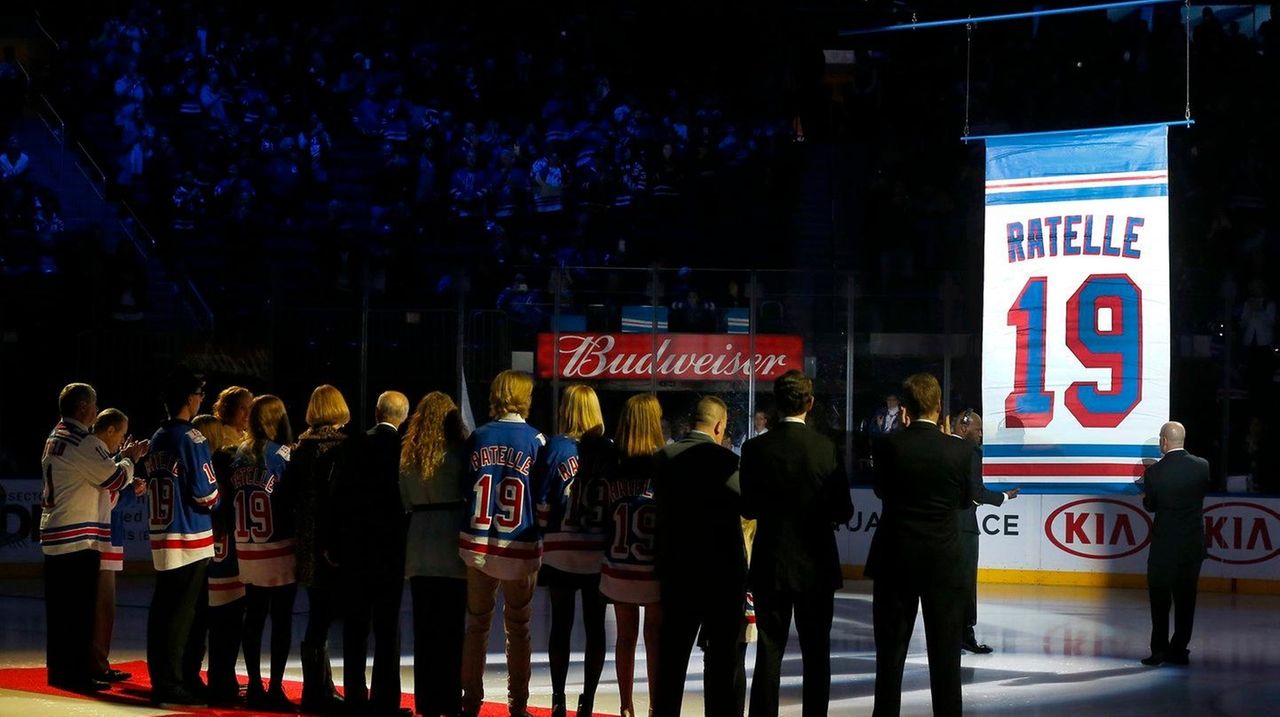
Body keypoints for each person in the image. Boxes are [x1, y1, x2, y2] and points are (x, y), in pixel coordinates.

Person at [741, 370, 853, 717]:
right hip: (816, 565)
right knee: (816, 653)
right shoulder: (825, 448)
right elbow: (844, 509)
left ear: (776, 404)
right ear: (810, 403)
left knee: (769, 652)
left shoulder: (755, 448)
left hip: (771, 563)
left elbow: (748, 507)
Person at [866, 373, 975, 717]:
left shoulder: (886, 446)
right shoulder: (961, 450)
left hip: (895, 559)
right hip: (943, 561)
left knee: (890, 658)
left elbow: (881, 491)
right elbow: (964, 501)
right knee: (945, 659)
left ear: (905, 410)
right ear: (939, 406)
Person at [41, 385, 147, 693]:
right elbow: (112, 478)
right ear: (85, 408)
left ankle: (60, 670)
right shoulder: (82, 441)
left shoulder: (54, 436)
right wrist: (127, 459)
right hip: (77, 537)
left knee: (60, 612)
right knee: (79, 612)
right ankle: (75, 672)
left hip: (56, 532)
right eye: (95, 403)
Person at [459, 371, 546, 717]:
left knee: (476, 624)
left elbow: (466, 487)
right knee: (519, 628)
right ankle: (518, 705)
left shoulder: (478, 437)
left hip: (479, 543)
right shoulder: (536, 440)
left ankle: (470, 702)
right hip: (519, 546)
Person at [652, 396, 744, 717]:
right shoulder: (728, 462)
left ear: (693, 422)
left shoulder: (664, 457)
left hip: (677, 572)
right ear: (720, 426)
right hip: (722, 576)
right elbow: (746, 507)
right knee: (720, 662)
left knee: (672, 661)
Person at [142, 368, 221, 707]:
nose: (202, 399)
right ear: (190, 399)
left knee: (165, 611)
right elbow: (207, 494)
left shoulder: (159, 436)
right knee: (183, 616)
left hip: (163, 535)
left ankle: (171, 678)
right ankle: (173, 683)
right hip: (189, 536)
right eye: (200, 395)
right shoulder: (192, 438)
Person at [536, 385, 613, 717]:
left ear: (566, 409)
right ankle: (589, 700)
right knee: (596, 628)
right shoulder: (610, 451)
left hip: (560, 549)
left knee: (561, 625)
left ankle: (557, 698)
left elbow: (541, 502)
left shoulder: (555, 447)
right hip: (597, 550)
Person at [334, 390, 412, 716]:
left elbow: (336, 497)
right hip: (390, 551)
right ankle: (384, 700)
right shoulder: (403, 451)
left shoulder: (351, 445)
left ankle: (354, 696)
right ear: (402, 417)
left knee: (355, 627)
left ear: (377, 412)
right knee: (386, 629)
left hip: (354, 548)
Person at [400, 392, 470, 717]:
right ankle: (449, 700)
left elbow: (404, 501)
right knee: (452, 631)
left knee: (424, 632)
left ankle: (426, 702)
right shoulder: (458, 452)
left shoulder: (409, 456)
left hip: (418, 543)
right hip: (451, 544)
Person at [228, 395, 297, 711]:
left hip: (247, 548)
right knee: (281, 619)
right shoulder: (282, 454)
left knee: (253, 616)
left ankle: (254, 683)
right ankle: (274, 687)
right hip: (278, 546)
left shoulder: (239, 454)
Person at [601, 394, 665, 717]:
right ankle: (656, 705)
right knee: (654, 639)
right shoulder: (663, 466)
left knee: (625, 637)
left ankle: (625, 706)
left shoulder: (613, 467)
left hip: (618, 565)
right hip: (653, 568)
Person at [292, 384, 350, 713]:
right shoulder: (339, 448)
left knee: (317, 613)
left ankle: (318, 686)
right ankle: (319, 691)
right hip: (329, 541)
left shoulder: (301, 446)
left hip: (306, 538)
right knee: (323, 616)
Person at [1141, 421, 1210, 667]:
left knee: (1160, 601)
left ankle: (1159, 650)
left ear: (1164, 441)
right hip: (1191, 546)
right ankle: (1179, 649)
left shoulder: (1154, 473)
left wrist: (1145, 499)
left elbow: (1152, 506)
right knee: (1186, 600)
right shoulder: (1202, 467)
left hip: (1164, 547)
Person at [950, 409, 1017, 654]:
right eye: (977, 430)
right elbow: (976, 493)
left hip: (941, 527)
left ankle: (946, 635)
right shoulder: (970, 453)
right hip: (964, 528)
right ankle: (966, 635)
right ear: (963, 427)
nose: (980, 435)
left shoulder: (942, 448)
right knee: (966, 583)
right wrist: (1004, 497)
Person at [192, 413, 245, 707]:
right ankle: (223, 681)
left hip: (204, 560)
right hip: (226, 559)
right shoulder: (224, 466)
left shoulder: (196, 468)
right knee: (229, 626)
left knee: (202, 625)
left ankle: (199, 678)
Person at [90, 408, 144, 684]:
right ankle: (97, 664)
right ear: (109, 430)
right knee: (103, 607)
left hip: (107, 537)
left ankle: (98, 662)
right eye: (120, 434)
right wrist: (131, 489)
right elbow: (109, 500)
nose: (122, 440)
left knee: (102, 607)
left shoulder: (101, 455)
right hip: (104, 537)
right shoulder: (97, 454)